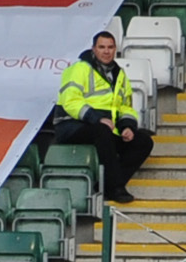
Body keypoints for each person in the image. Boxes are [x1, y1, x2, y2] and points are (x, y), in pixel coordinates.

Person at [53, 30, 153, 204]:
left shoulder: (119, 74)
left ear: (115, 49)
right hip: (72, 125)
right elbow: (70, 101)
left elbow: (125, 106)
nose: (106, 51)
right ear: (93, 49)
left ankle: (106, 185)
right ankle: (116, 188)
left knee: (143, 141)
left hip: (104, 128)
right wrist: (95, 118)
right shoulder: (79, 69)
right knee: (102, 131)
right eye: (102, 47)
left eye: (110, 47)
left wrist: (126, 127)